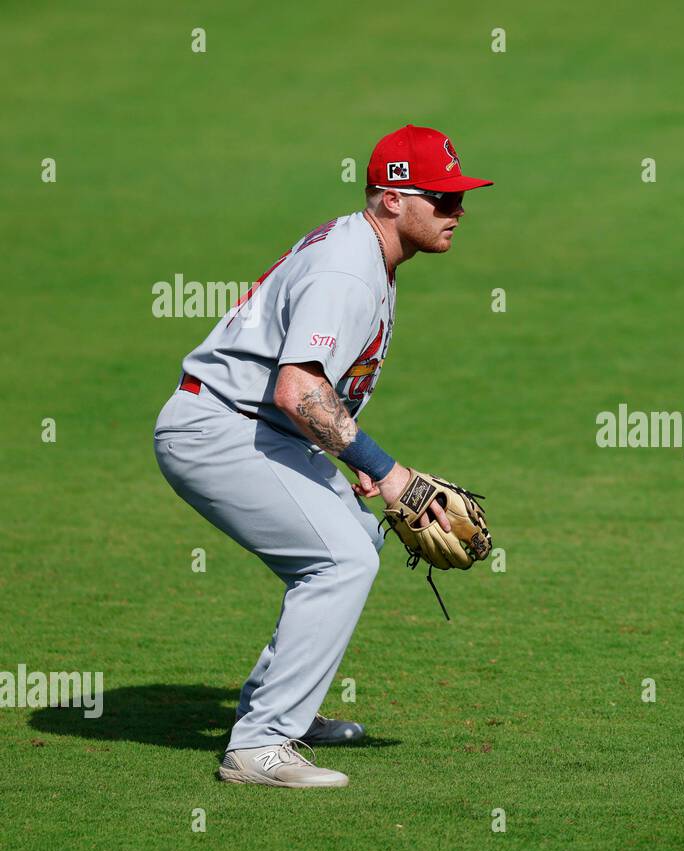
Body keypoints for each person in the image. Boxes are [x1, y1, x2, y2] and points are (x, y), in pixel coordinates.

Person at [153, 125, 493, 788]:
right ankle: (260, 745)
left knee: (354, 542)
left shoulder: (365, 250)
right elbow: (298, 389)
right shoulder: (349, 267)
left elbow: (304, 393)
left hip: (256, 427)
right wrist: (392, 472)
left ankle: (282, 709)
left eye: (459, 198)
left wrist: (358, 459)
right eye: (441, 197)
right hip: (218, 431)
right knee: (339, 560)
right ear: (392, 199)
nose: (457, 211)